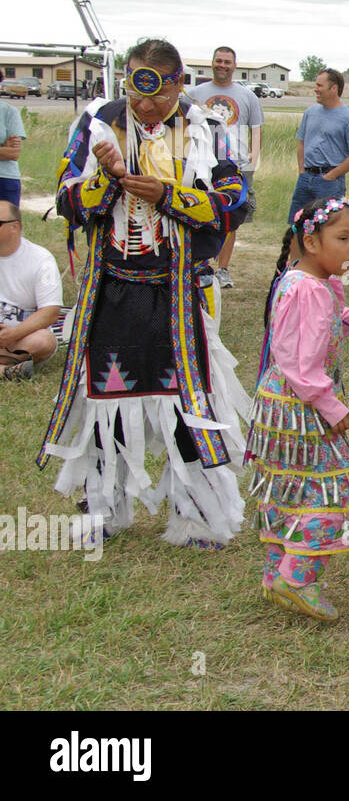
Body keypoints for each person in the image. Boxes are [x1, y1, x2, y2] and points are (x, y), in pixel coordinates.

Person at [38, 38, 250, 548]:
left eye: (156, 89)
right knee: (103, 400)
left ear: (178, 82)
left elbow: (235, 198)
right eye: (135, 86)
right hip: (111, 286)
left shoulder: (207, 128)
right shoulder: (98, 121)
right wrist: (109, 180)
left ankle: (198, 513)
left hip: (178, 289)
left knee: (188, 401)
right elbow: (67, 196)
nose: (144, 102)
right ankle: (104, 508)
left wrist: (169, 195)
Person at [249, 197, 349, 621]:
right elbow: (298, 360)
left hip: (279, 405)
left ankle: (275, 575)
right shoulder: (309, 288)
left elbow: (322, 325)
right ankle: (297, 578)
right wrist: (329, 404)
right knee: (330, 491)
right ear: (311, 240)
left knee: (289, 487)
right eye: (343, 238)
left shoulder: (300, 280)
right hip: (301, 407)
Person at [189, 46, 263, 288]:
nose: (222, 65)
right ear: (212, 63)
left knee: (230, 216)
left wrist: (252, 161)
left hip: (235, 165)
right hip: (200, 163)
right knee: (196, 212)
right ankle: (196, 264)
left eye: (227, 62)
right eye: (218, 60)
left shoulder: (247, 96)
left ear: (234, 65)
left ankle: (223, 269)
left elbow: (256, 129)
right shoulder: (194, 94)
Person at [289, 68, 349, 223]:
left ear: (334, 88)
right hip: (305, 179)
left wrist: (331, 175)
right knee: (297, 225)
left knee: (327, 227)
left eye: (319, 86)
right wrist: (302, 170)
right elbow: (302, 143)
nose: (315, 89)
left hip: (329, 182)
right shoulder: (310, 112)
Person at [0, 201, 62, 380]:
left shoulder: (40, 259)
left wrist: (12, 334)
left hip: (20, 338)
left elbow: (50, 312)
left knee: (43, 341)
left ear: (15, 226)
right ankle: (6, 371)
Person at [0, 98, 24, 207]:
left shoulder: (9, 111)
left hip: (5, 180)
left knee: (7, 222)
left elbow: (13, 154)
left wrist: (7, 151)